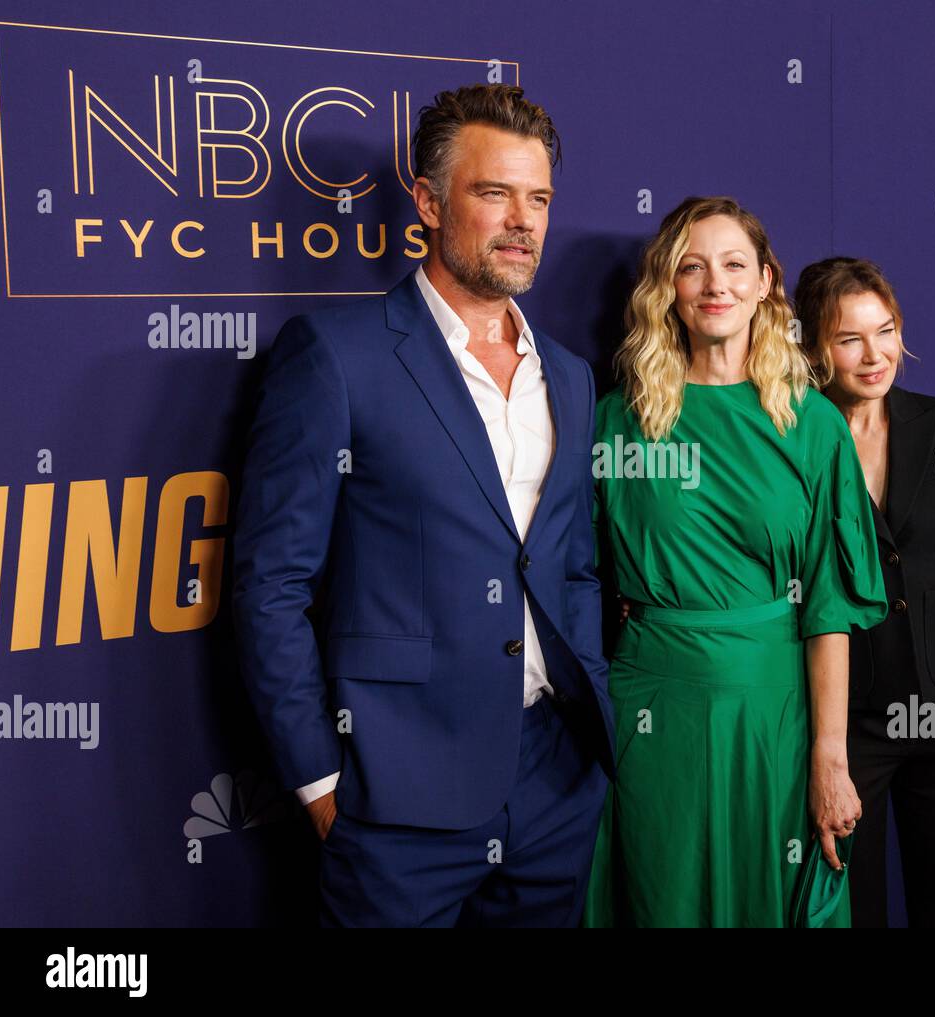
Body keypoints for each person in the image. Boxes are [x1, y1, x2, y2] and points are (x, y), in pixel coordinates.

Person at [232, 83, 614, 927]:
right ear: (429, 201)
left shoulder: (572, 375)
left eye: (540, 197)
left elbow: (572, 562)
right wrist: (322, 782)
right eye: (494, 193)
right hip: (394, 795)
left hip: (554, 781)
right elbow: (272, 584)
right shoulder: (337, 356)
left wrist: (590, 726)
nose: (524, 219)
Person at [581, 197, 889, 927]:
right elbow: (576, 570)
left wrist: (830, 755)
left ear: (764, 282)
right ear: (669, 287)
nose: (714, 283)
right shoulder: (620, 419)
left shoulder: (811, 424)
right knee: (661, 898)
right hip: (654, 709)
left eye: (733, 265)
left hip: (773, 715)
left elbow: (828, 609)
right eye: (692, 266)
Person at [793, 256, 935, 927]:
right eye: (849, 338)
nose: (874, 354)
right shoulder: (793, 443)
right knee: (854, 911)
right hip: (851, 725)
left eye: (885, 330)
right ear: (814, 347)